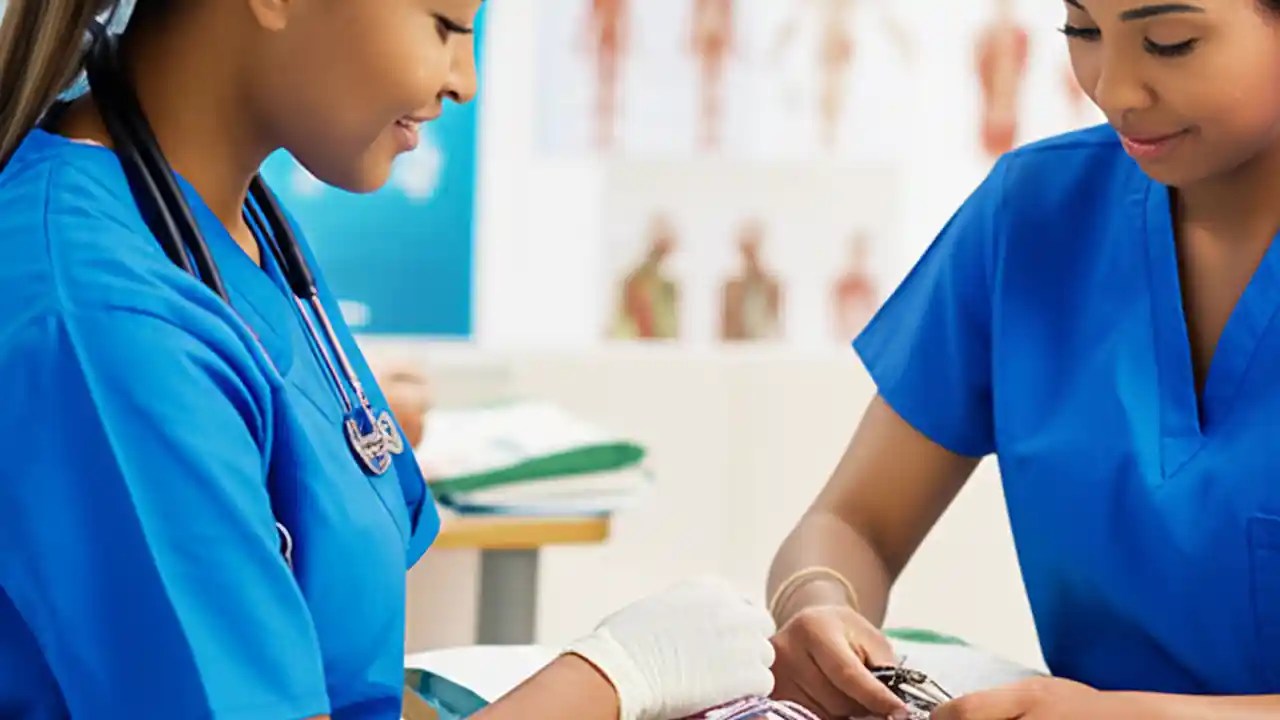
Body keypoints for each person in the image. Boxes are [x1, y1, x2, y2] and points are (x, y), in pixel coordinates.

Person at [0, 1, 776, 719]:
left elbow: (343, 675)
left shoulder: (240, 230)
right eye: (443, 25)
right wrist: (608, 681)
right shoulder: (101, 314)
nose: (464, 82)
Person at [767, 0, 1280, 718]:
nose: (1113, 90)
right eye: (1084, 32)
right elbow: (855, 524)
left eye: (1170, 43)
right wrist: (819, 606)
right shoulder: (1034, 214)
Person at [721, 221, 783, 342]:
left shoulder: (772, 286)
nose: (751, 255)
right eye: (747, 250)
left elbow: (775, 322)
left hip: (766, 347)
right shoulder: (732, 287)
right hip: (738, 348)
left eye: (753, 249)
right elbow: (727, 328)